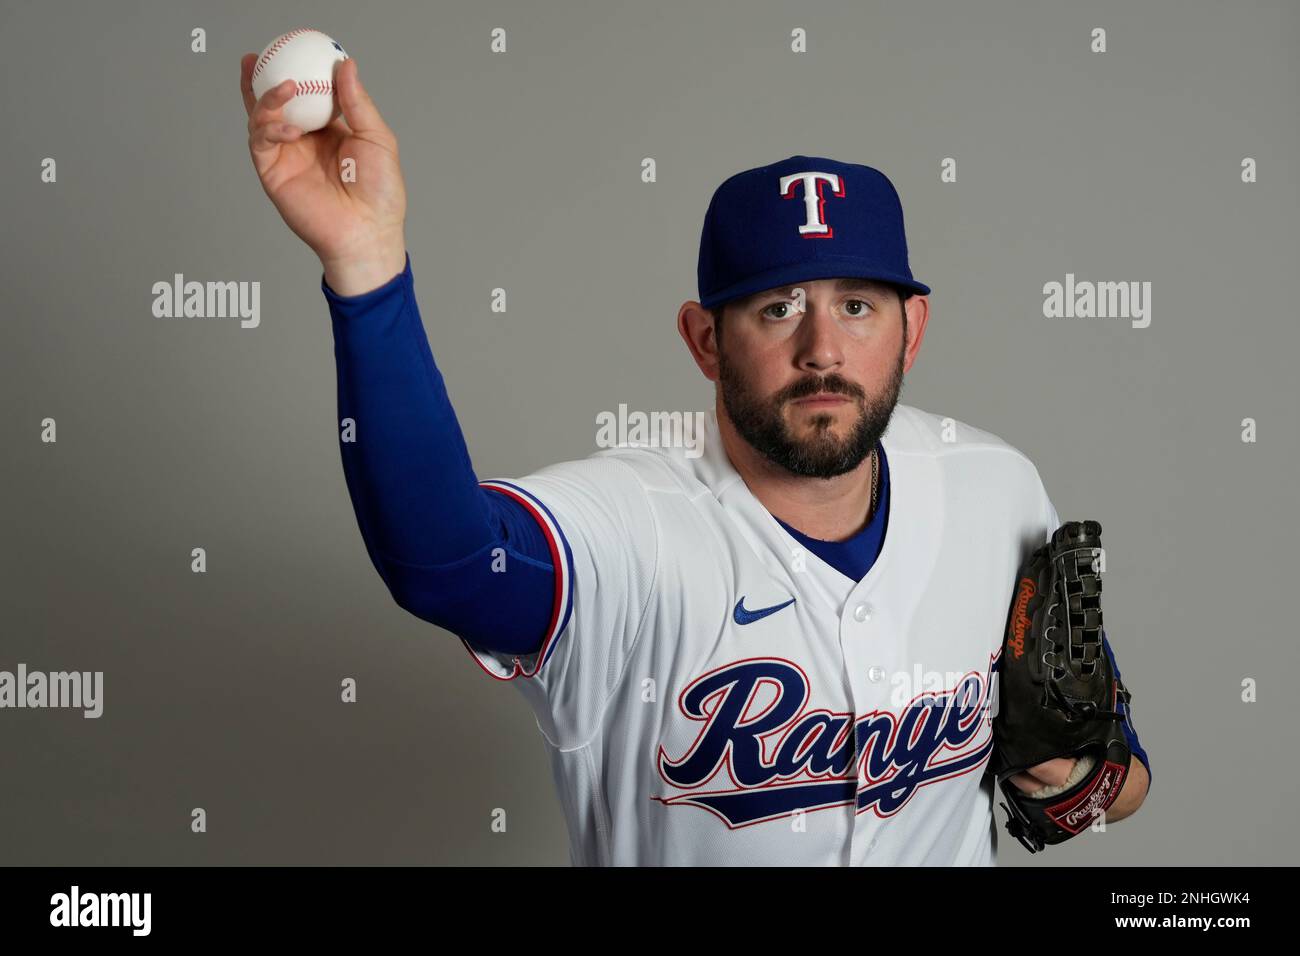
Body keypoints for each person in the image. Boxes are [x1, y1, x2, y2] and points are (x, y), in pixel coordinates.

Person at [241, 54, 1150, 865]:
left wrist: (1070, 780)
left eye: (860, 306)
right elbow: (445, 564)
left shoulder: (995, 488)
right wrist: (367, 266)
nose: (823, 349)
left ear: (912, 331)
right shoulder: (631, 525)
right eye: (778, 307)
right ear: (704, 339)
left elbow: (1116, 778)